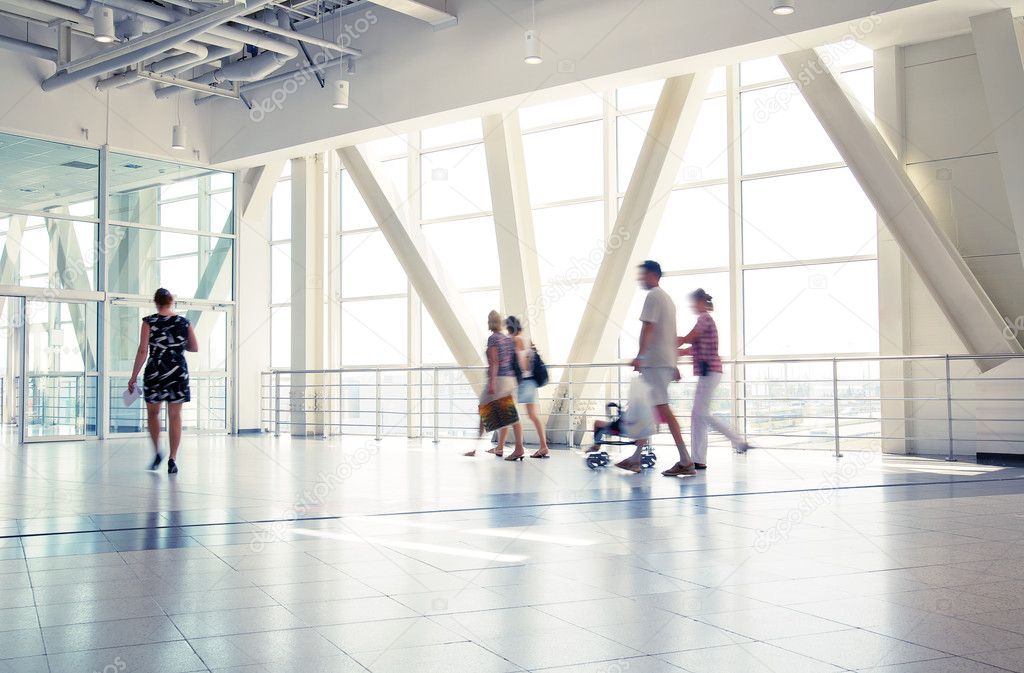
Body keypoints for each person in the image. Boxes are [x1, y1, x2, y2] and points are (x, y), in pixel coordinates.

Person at [616, 260, 696, 476]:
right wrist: (674, 363)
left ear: (652, 274)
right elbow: (670, 334)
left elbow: (648, 327)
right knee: (649, 409)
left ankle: (686, 460)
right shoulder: (668, 300)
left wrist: (640, 355)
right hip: (662, 362)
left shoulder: (653, 296)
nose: (640, 279)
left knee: (662, 409)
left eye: (642, 275)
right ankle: (636, 457)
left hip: (655, 362)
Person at [128, 288, 198, 474]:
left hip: (156, 370)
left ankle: (158, 451)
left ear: (156, 302)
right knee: (175, 415)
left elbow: (143, 350)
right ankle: (173, 458)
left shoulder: (149, 322)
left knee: (153, 413)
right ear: (171, 301)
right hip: (177, 370)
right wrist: (176, 346)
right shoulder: (184, 322)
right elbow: (194, 347)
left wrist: (133, 376)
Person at [678, 288, 749, 469]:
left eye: (694, 302)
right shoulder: (705, 320)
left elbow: (689, 338)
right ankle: (699, 459)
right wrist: (677, 349)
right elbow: (691, 346)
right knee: (698, 415)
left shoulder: (704, 319)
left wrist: (670, 341)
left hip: (710, 372)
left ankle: (737, 441)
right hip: (709, 372)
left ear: (701, 302)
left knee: (700, 414)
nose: (692, 306)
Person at [464, 310, 526, 460]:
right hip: (510, 379)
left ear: (490, 322)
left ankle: (476, 448)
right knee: (509, 413)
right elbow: (516, 360)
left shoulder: (493, 339)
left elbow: (494, 362)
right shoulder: (507, 339)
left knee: (483, 407)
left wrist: (491, 383)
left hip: (499, 379)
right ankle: (515, 448)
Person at [505, 315, 550, 459]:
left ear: (510, 328)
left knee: (510, 413)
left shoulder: (516, 340)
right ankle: (543, 447)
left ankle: (518, 448)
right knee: (533, 416)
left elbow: (523, 364)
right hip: (531, 382)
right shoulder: (527, 338)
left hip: (522, 382)